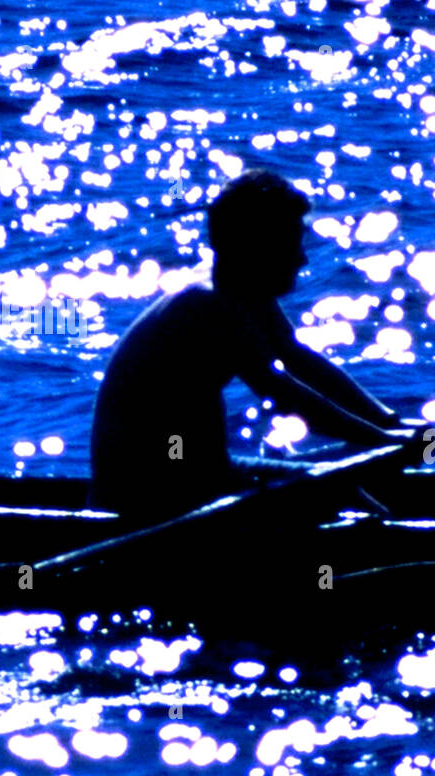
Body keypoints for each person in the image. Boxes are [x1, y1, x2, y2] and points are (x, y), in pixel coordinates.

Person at [91, 169, 411, 518]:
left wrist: (387, 421)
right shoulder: (211, 306)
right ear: (258, 247)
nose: (303, 259)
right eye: (292, 243)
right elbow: (286, 395)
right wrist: (383, 442)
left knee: (342, 487)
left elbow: (296, 357)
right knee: (343, 499)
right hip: (148, 494)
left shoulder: (237, 286)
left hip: (199, 471)